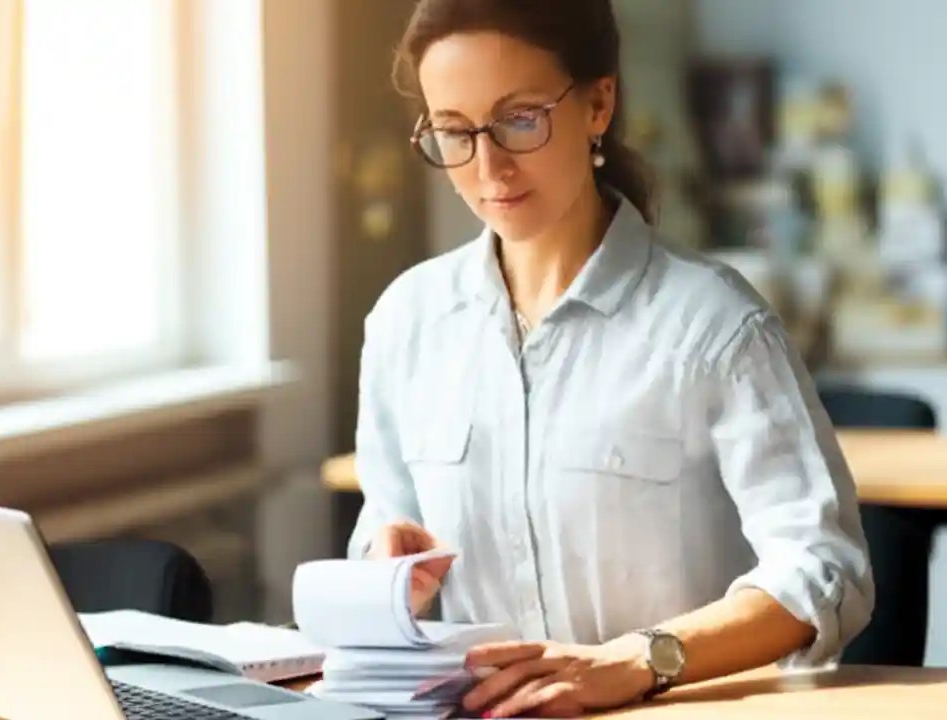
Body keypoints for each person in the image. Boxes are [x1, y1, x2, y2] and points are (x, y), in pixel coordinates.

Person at [348, 1, 874, 716]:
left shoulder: (713, 325)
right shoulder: (408, 323)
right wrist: (390, 579)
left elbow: (824, 568)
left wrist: (640, 660)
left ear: (598, 103)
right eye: (454, 132)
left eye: (520, 119)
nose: (489, 166)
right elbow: (380, 543)